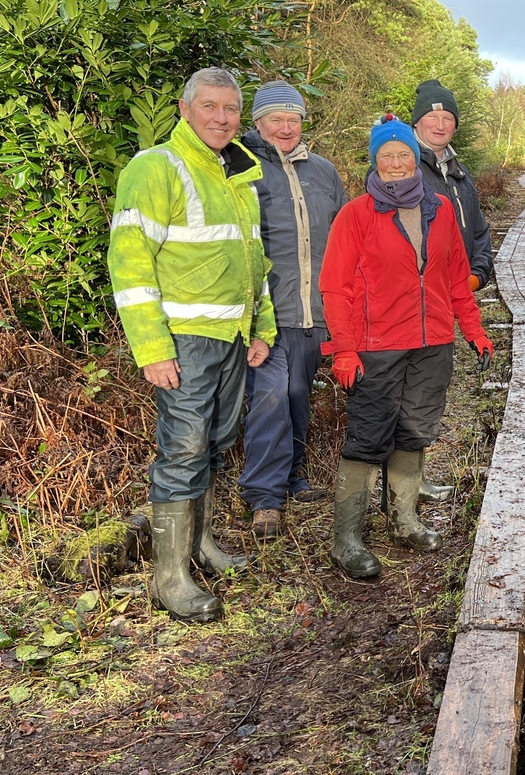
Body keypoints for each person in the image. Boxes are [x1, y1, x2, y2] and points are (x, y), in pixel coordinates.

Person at [108, 67, 275, 623]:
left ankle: (198, 547)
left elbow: (254, 262)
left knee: (215, 440)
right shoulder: (155, 168)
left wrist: (261, 327)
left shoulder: (238, 174)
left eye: (230, 109)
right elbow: (129, 262)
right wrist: (152, 347)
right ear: (185, 109)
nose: (221, 118)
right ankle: (169, 578)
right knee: (181, 449)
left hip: (230, 337)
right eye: (209, 107)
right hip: (183, 340)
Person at [318, 117, 494, 579]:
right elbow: (335, 287)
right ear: (374, 161)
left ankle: (405, 518)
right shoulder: (356, 215)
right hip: (375, 346)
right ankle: (347, 538)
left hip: (432, 342)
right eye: (386, 156)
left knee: (415, 430)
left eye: (403, 155)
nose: (395, 164)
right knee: (367, 436)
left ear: (415, 159)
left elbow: (457, 278)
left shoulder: (438, 208)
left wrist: (473, 330)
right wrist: (344, 349)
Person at [237, 81, 351, 541]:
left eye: (293, 119)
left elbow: (345, 236)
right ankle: (264, 497)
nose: (285, 128)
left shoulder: (323, 171)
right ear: (258, 123)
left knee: (298, 396)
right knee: (269, 399)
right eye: (276, 119)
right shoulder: (241, 167)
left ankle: (293, 477)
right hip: (267, 310)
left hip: (316, 309)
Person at [411, 79, 495, 503]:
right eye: (432, 116)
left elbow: (479, 235)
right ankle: (403, 482)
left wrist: (475, 278)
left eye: (447, 117)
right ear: (417, 121)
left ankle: (415, 476)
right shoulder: (404, 165)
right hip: (415, 301)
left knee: (431, 390)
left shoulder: (459, 174)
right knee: (410, 392)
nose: (440, 123)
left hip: (451, 299)